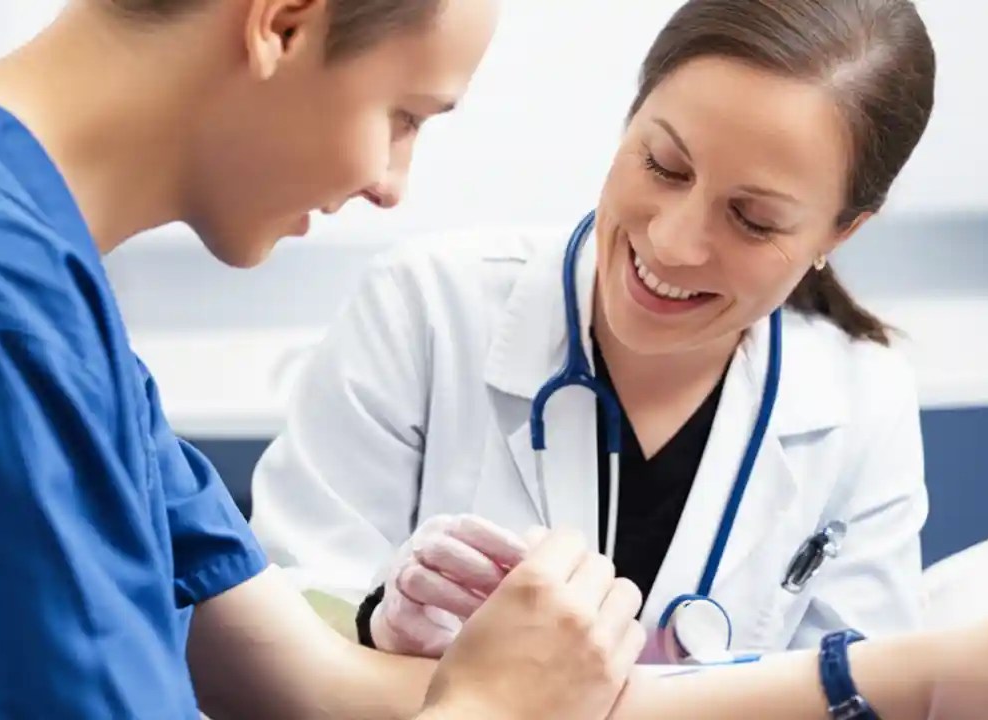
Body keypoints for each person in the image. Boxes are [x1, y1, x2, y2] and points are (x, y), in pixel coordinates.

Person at [0, 0, 988, 718]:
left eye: (756, 218)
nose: (389, 185)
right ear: (280, 21)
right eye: (402, 117)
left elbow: (305, 680)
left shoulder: (33, 274)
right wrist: (482, 705)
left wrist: (936, 669)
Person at [252, 0, 930, 662]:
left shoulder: (864, 405)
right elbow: (277, 626)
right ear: (630, 121)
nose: (672, 242)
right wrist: (377, 625)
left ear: (841, 232)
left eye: (753, 219)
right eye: (664, 165)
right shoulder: (427, 307)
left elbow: (865, 692)